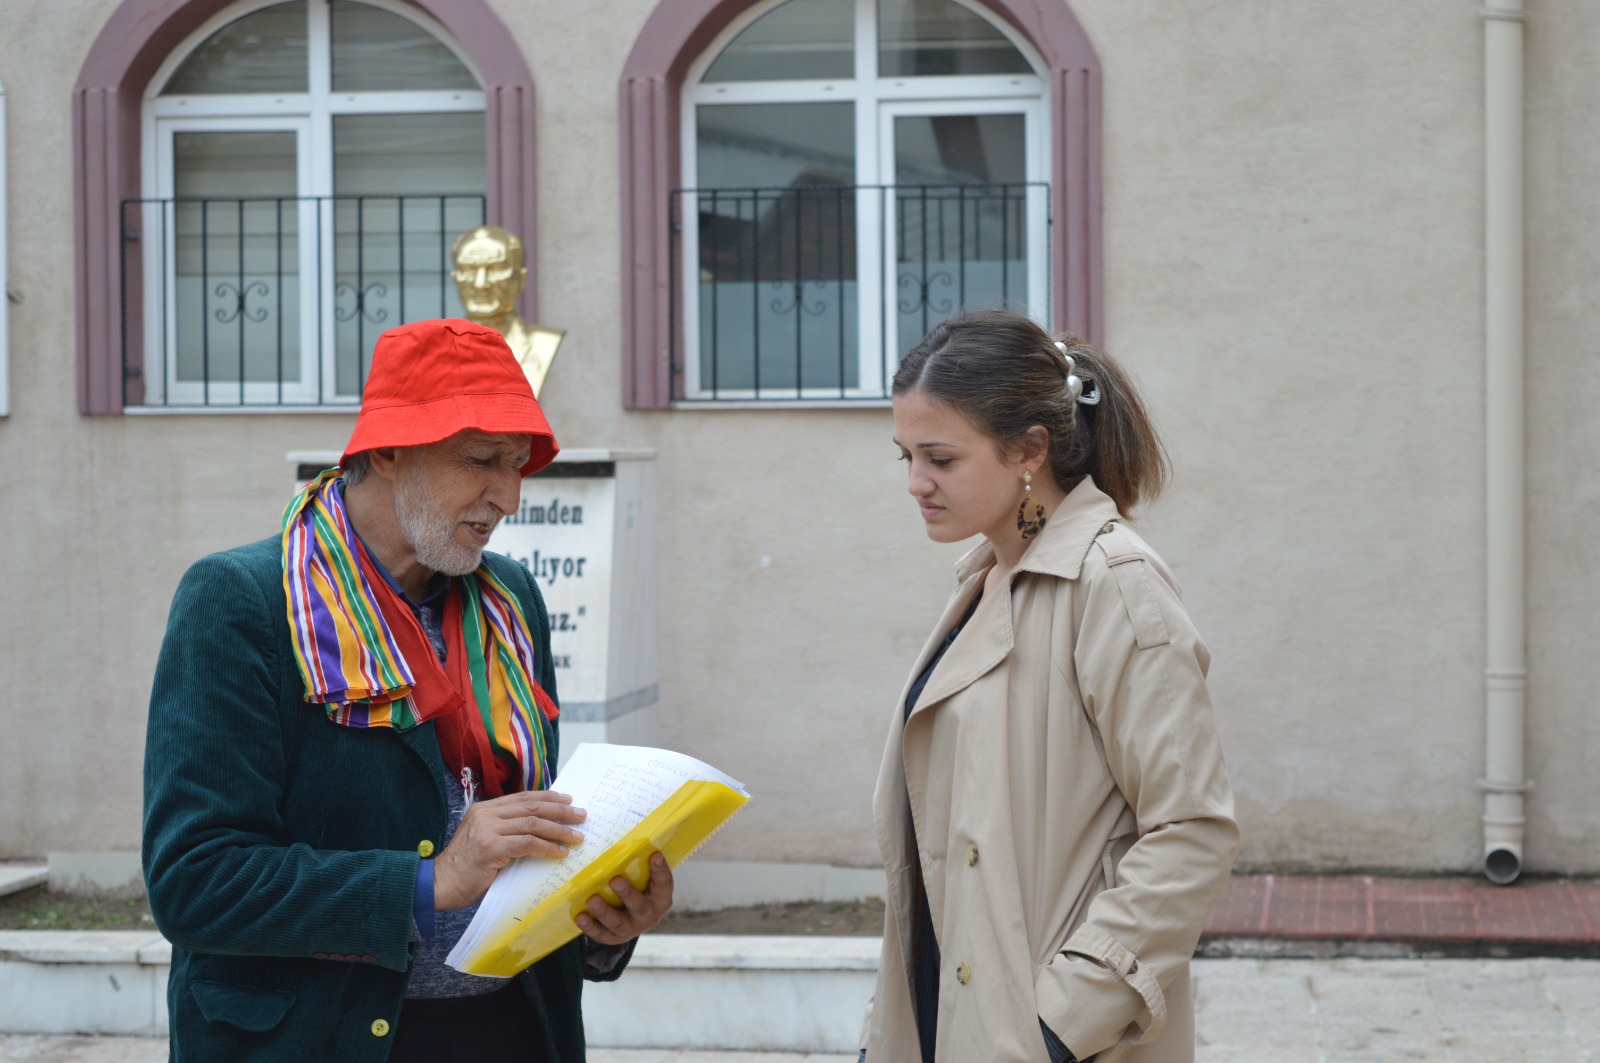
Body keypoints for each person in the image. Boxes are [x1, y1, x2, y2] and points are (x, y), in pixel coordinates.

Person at [142, 318, 673, 1062]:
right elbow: (195, 882)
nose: (509, 496)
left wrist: (602, 925)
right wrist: (431, 881)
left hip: (513, 1030)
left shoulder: (511, 598)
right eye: (482, 459)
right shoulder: (241, 601)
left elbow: (524, 842)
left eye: (518, 463)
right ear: (388, 451)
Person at [860, 309, 1239, 1063]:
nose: (915, 483)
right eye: (905, 455)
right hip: (950, 1021)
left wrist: (1057, 1027)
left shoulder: (1114, 581)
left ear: (1030, 449)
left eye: (940, 458)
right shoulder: (984, 580)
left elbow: (1191, 830)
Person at [451, 225, 566, 397]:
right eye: (468, 270)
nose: (481, 284)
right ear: (455, 277)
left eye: (496, 269)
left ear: (522, 278)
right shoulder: (439, 351)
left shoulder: (544, 343)